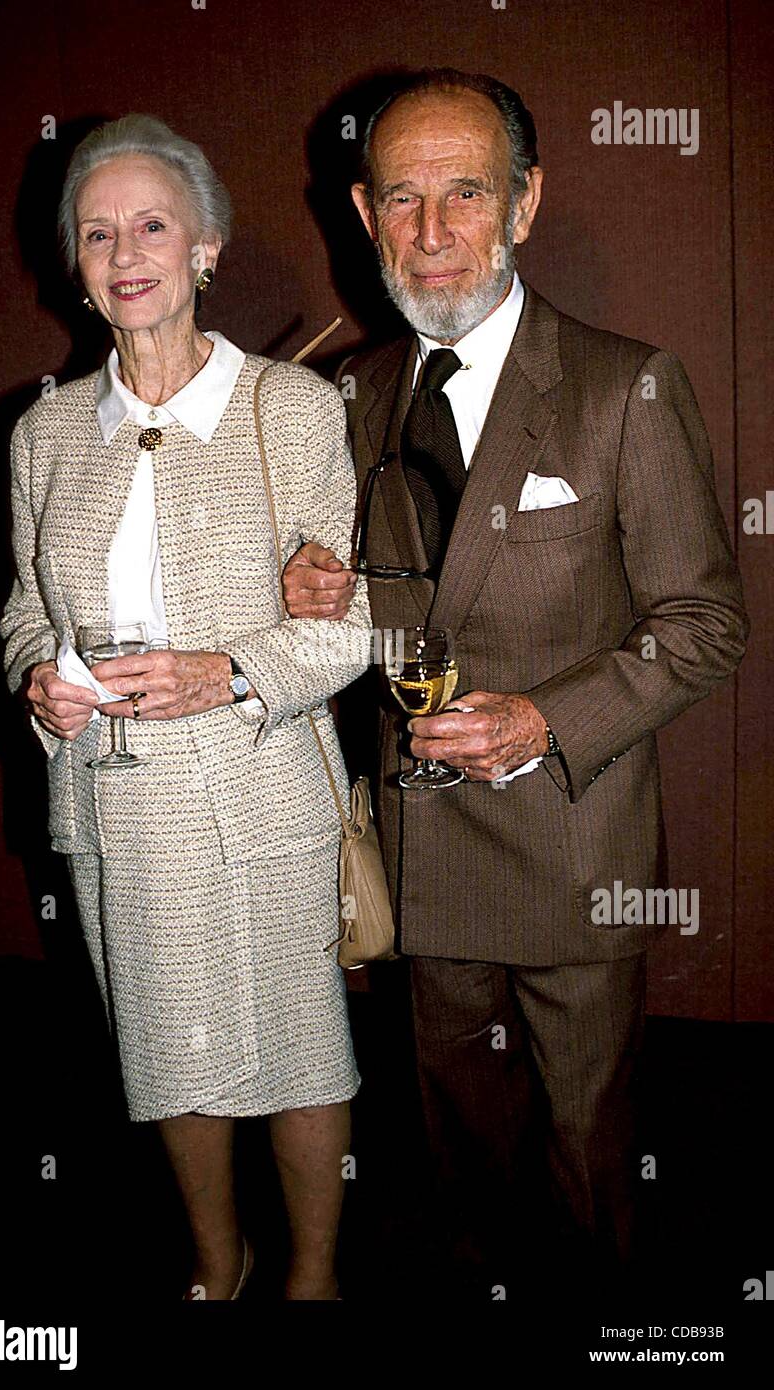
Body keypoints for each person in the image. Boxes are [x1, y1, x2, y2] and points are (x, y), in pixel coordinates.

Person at [282, 69, 748, 1293]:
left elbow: (705, 624)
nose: (431, 230)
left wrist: (546, 718)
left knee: (590, 1162)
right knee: (459, 1157)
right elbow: (370, 607)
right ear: (364, 213)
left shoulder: (624, 384)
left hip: (570, 850)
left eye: (467, 193)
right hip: (424, 857)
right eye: (401, 197)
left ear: (525, 203)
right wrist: (313, 589)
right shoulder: (345, 398)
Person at [0, 113, 371, 1301]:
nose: (126, 253)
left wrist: (228, 671)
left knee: (299, 1052)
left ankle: (312, 1275)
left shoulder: (291, 409)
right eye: (97, 232)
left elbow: (347, 625)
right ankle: (220, 1258)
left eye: (152, 225)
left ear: (204, 246)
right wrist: (38, 680)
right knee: (165, 1053)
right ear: (76, 264)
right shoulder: (44, 434)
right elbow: (25, 610)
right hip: (119, 808)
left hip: (262, 793)